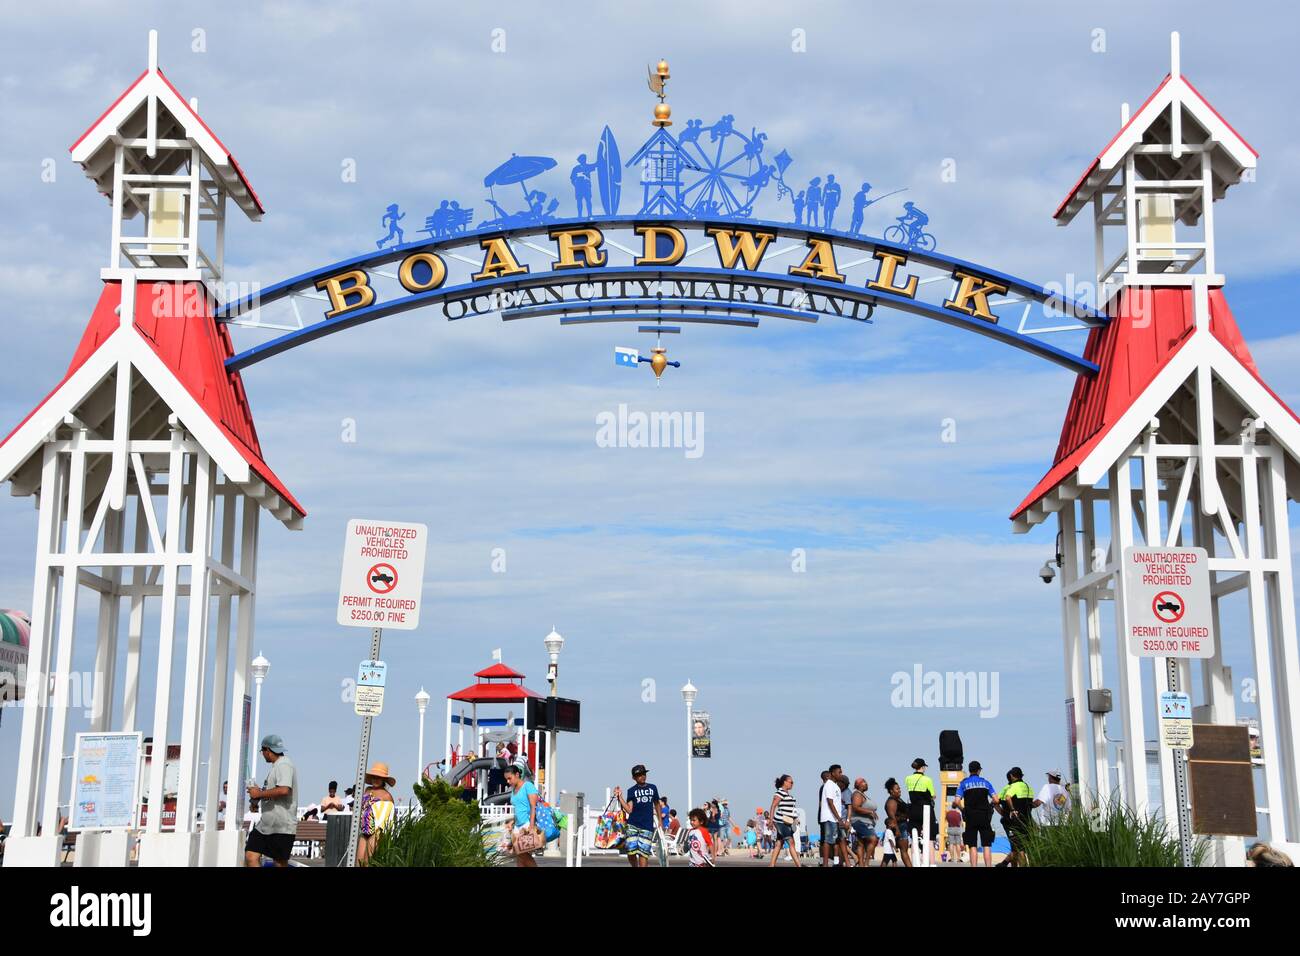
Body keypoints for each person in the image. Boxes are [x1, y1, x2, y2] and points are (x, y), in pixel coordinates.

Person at [244, 734, 298, 868]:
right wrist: (257, 797)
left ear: (267, 750)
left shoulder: (284, 764)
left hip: (282, 826)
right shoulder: (277, 766)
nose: (262, 754)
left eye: (262, 751)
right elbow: (274, 791)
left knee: (279, 863)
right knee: (251, 855)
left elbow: (284, 790)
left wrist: (259, 793)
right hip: (266, 825)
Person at [614, 764, 661, 868]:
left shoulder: (653, 788)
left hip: (647, 826)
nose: (642, 776)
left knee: (643, 854)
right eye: (639, 775)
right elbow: (629, 810)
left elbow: (657, 804)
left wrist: (660, 821)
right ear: (634, 778)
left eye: (643, 774)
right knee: (631, 852)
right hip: (632, 825)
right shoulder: (631, 791)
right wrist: (620, 797)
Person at [955, 759, 998, 867]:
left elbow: (957, 801)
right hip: (984, 816)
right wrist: (990, 805)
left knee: (972, 845)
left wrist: (963, 809)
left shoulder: (964, 783)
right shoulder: (986, 783)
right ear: (979, 770)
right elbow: (996, 799)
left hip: (970, 817)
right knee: (987, 844)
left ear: (969, 770)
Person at [356, 761, 396, 865]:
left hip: (376, 832)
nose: (375, 779)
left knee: (367, 861)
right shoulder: (367, 790)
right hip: (364, 829)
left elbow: (392, 815)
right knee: (359, 861)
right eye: (374, 777)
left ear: (383, 780)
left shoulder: (387, 796)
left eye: (378, 777)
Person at [504, 763, 540, 867]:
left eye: (509, 778)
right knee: (519, 855)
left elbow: (533, 806)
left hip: (527, 824)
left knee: (521, 853)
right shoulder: (513, 790)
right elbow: (519, 808)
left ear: (517, 775)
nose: (508, 781)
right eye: (506, 779)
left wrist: (531, 826)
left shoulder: (528, 786)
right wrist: (512, 822)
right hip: (517, 826)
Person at [998, 766, 1036, 867]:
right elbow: (1032, 804)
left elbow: (1001, 799)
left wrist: (1010, 811)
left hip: (1013, 822)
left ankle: (1006, 864)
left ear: (1011, 776)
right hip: (1027, 821)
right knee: (1021, 847)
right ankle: (1004, 863)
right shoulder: (1028, 787)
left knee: (1018, 848)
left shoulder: (1011, 787)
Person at [904, 758, 938, 858]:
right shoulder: (927, 779)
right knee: (930, 838)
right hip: (926, 809)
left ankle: (915, 860)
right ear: (922, 767)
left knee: (914, 837)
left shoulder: (908, 778)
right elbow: (933, 795)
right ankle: (931, 862)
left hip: (913, 809)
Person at [768, 773, 802, 867]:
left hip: (787, 822)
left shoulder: (787, 793)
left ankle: (771, 865)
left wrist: (795, 818)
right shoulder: (780, 792)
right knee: (791, 842)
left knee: (779, 843)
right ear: (784, 782)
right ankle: (799, 865)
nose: (792, 784)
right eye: (791, 782)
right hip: (781, 821)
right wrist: (771, 821)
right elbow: (773, 806)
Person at [819, 766, 849, 867]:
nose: (841, 774)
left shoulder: (835, 786)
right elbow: (830, 802)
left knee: (840, 839)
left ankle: (845, 863)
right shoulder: (829, 785)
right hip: (829, 817)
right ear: (832, 773)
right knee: (828, 840)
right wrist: (839, 819)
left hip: (836, 818)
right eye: (839, 772)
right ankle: (825, 864)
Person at [849, 777, 880, 867]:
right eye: (864, 782)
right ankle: (866, 863)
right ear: (858, 785)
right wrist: (870, 812)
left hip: (866, 822)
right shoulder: (857, 794)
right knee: (873, 839)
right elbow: (856, 807)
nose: (866, 784)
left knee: (861, 843)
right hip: (860, 821)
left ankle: (861, 864)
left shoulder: (862, 795)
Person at [883, 777, 912, 868]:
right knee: (904, 851)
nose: (899, 790)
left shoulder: (898, 799)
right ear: (891, 791)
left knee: (888, 856)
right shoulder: (892, 801)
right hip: (899, 827)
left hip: (902, 826)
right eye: (897, 789)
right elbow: (892, 817)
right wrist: (897, 830)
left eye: (899, 788)